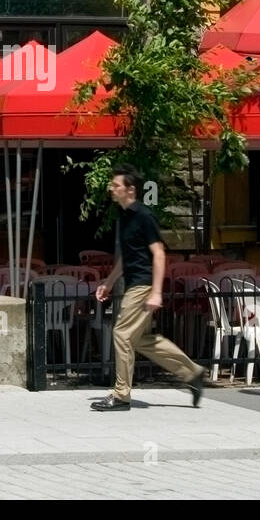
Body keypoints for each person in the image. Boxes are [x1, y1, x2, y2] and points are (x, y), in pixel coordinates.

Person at [91, 164, 206, 411]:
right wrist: (108, 282)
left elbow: (159, 254)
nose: (112, 188)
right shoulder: (124, 217)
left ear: (130, 190)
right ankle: (193, 373)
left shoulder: (144, 216)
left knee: (121, 334)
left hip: (142, 285)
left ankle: (121, 395)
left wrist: (156, 291)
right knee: (142, 340)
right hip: (135, 282)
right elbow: (127, 257)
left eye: (116, 185)